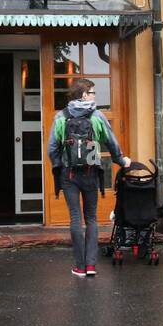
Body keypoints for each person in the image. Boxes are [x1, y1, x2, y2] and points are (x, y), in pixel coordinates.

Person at [47, 77, 130, 278]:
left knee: (76, 218)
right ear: (83, 94)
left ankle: (80, 266)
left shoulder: (62, 116)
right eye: (92, 92)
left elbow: (52, 148)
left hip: (69, 175)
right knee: (91, 218)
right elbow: (111, 142)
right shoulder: (97, 116)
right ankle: (91, 265)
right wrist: (121, 160)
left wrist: (60, 166)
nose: (94, 95)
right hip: (92, 173)